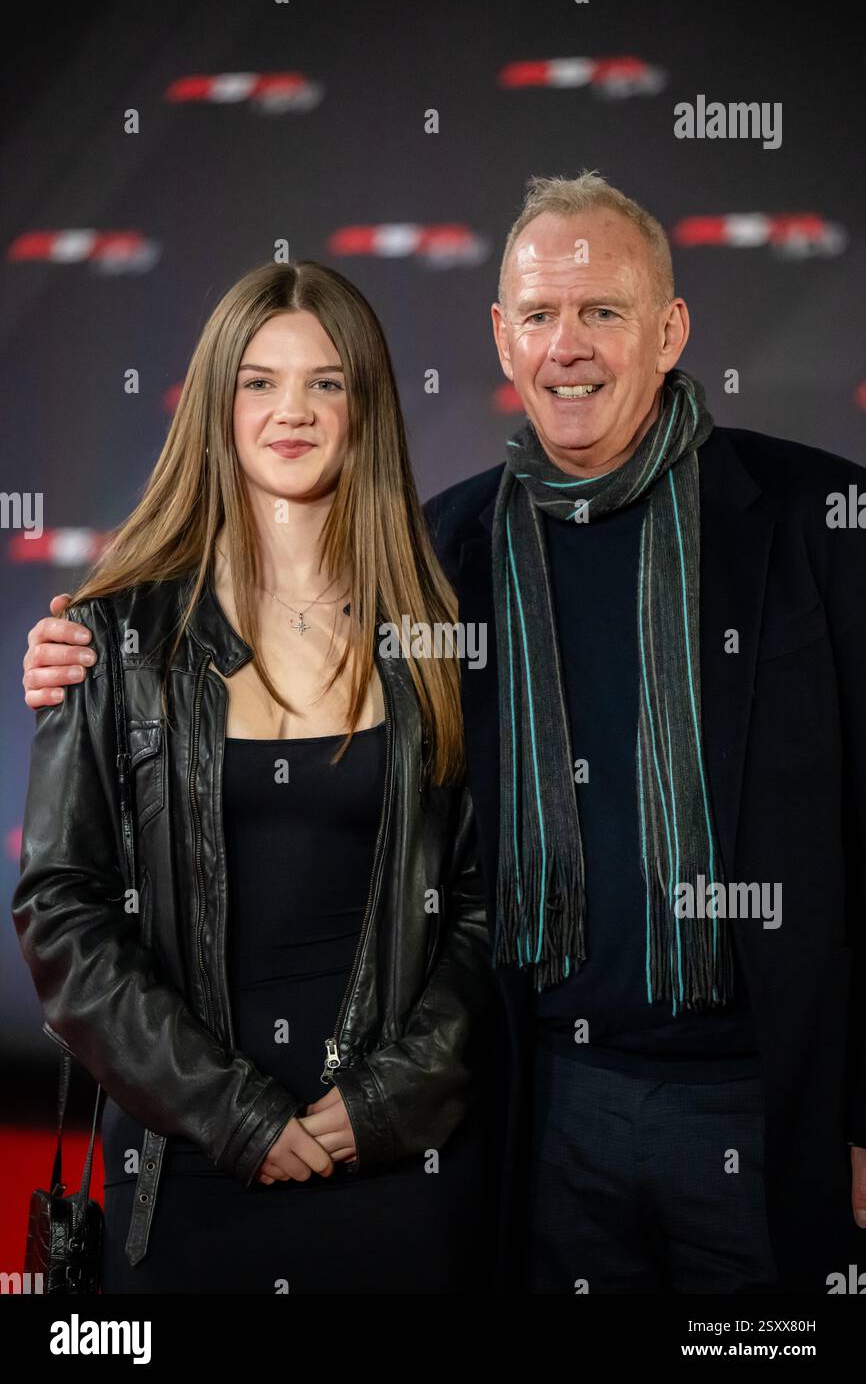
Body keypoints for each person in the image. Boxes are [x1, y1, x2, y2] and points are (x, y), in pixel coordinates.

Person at [23, 171, 866, 1297]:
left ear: (668, 330)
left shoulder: (818, 523)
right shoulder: (445, 559)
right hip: (538, 1114)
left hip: (763, 1108)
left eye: (600, 312)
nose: (566, 347)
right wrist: (79, 662)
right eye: (537, 316)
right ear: (501, 340)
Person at [13, 259, 498, 1295]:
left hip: (397, 1172)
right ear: (215, 405)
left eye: (326, 382)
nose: (292, 410)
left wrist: (382, 1107)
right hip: (186, 1165)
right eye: (258, 381)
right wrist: (235, 1113)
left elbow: (480, 908)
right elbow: (61, 910)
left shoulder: (432, 636)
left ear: (364, 408)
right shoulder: (111, 636)